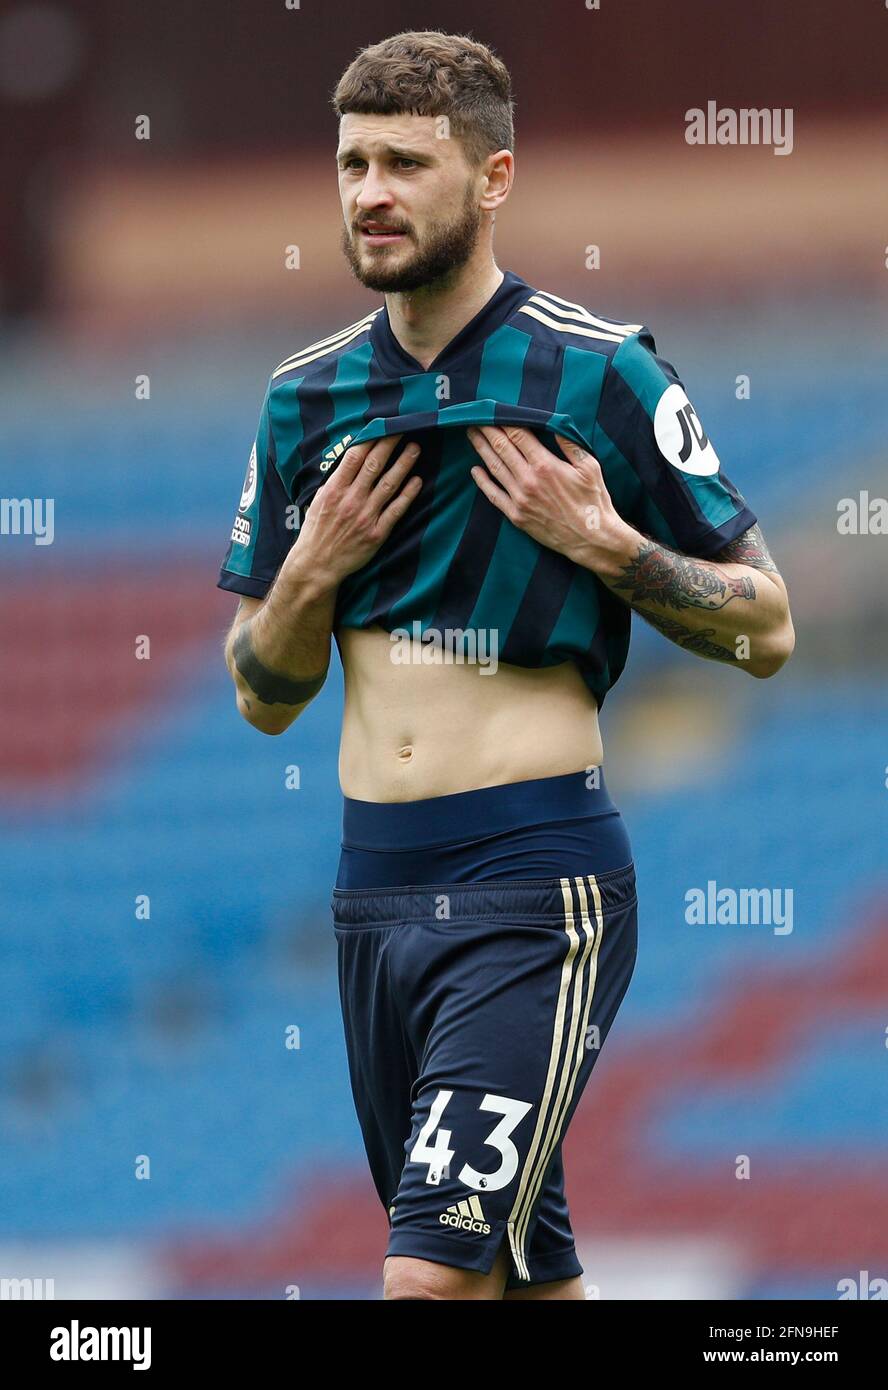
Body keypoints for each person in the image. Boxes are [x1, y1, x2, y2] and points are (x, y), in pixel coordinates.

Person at [218, 30, 794, 1300]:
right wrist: (311, 573)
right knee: (525, 1283)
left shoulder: (601, 369)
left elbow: (768, 625)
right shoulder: (300, 402)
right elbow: (263, 697)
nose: (370, 190)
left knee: (425, 1282)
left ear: (493, 177)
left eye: (406, 162)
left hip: (533, 880)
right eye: (353, 160)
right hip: (375, 889)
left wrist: (607, 544)